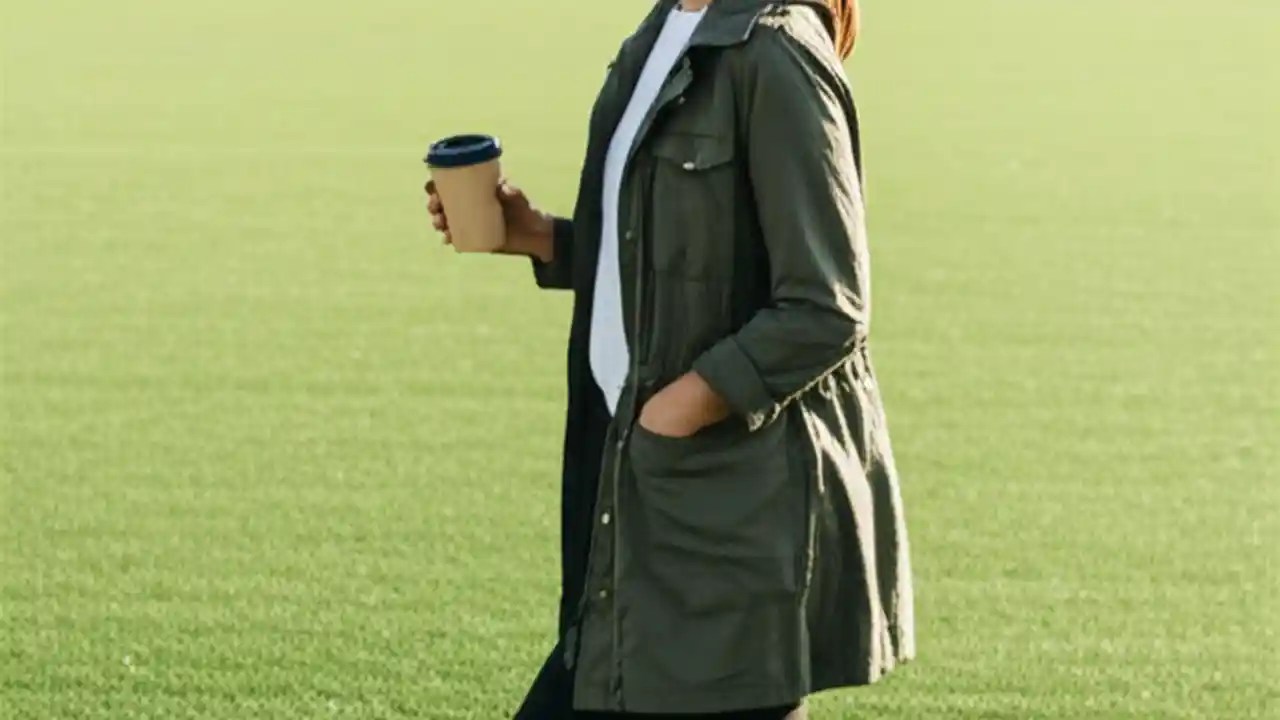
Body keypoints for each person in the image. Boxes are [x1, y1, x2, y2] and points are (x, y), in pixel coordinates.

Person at [426, 0, 913, 716]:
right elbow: (669, 257)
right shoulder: (663, 32)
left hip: (726, 517)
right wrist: (540, 238)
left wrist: (676, 412)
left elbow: (826, 306)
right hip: (634, 495)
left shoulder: (776, 52)